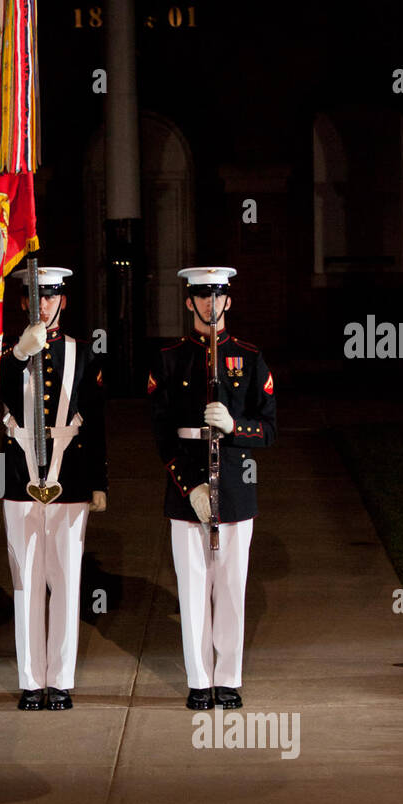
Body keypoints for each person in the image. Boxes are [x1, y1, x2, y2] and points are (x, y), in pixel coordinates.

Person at [148, 265, 276, 710]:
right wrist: (190, 487)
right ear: (189, 302)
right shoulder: (169, 358)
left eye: (217, 295)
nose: (210, 303)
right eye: (201, 296)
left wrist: (235, 425)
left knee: (231, 587)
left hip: (237, 490)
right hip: (187, 492)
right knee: (193, 587)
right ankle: (199, 681)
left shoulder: (250, 357)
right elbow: (162, 432)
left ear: (228, 300)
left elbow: (270, 429)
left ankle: (229, 678)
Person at [0, 266, 107, 711]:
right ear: (24, 302)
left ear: (63, 301)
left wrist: (100, 482)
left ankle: (60, 680)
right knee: (25, 583)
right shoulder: (4, 354)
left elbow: (96, 423)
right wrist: (18, 356)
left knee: (65, 582)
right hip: (19, 482)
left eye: (51, 296)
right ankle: (30, 681)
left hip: (71, 479)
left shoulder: (84, 354)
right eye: (35, 297)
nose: (42, 304)